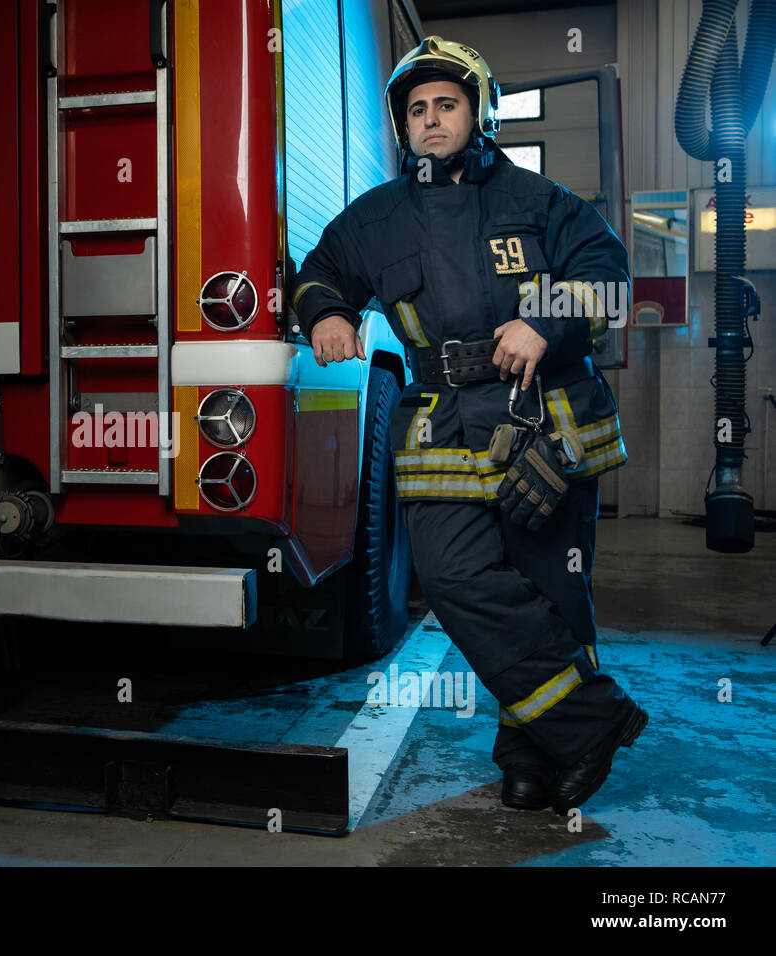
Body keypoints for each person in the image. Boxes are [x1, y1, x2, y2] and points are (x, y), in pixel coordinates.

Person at [293, 36, 647, 813]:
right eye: (416, 109)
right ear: (402, 126)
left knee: (555, 590)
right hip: (441, 422)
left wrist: (545, 319)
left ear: (477, 111)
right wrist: (324, 313)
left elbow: (610, 279)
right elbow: (318, 273)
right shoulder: (374, 218)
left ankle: (530, 755)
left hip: (542, 419)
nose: (430, 120)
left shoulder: (539, 200)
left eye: (445, 104)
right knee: (453, 579)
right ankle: (587, 720)